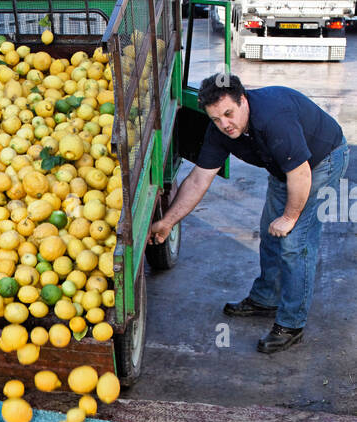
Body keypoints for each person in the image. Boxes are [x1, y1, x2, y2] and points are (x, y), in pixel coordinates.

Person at [150, 73, 350, 354]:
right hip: (285, 169)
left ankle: (291, 325)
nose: (224, 124)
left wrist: (290, 217)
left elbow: (301, 173)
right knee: (270, 232)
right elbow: (198, 180)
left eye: (229, 114)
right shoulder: (219, 131)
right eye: (216, 119)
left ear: (243, 100)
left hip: (321, 162)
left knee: (295, 244)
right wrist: (167, 221)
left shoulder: (272, 118)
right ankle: (267, 297)